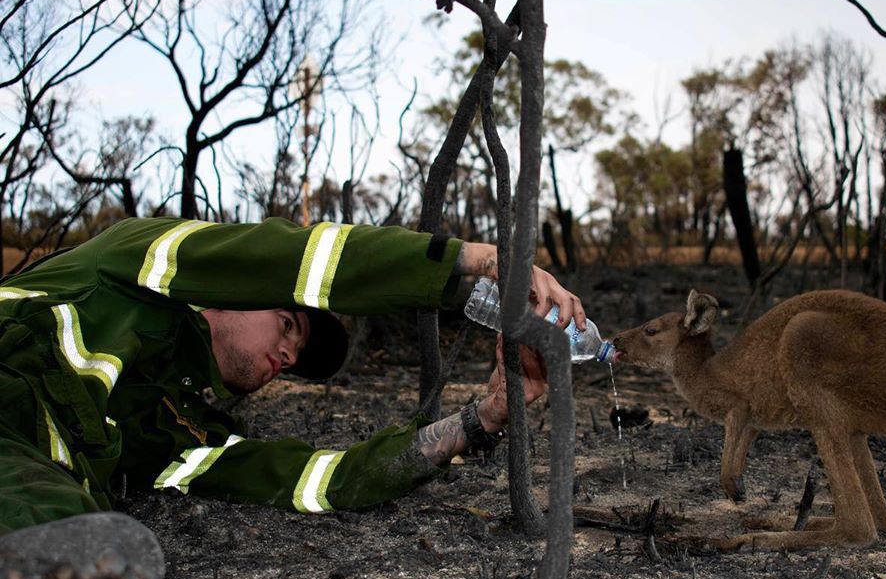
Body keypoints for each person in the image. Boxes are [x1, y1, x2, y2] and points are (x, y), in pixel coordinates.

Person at [0, 216, 584, 549]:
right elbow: (290, 255)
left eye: (296, 353)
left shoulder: (179, 428)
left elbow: (322, 481)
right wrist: (477, 261)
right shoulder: (125, 261)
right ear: (231, 292)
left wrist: (483, 418)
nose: (287, 352)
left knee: (82, 554)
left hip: (28, 480)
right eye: (287, 324)